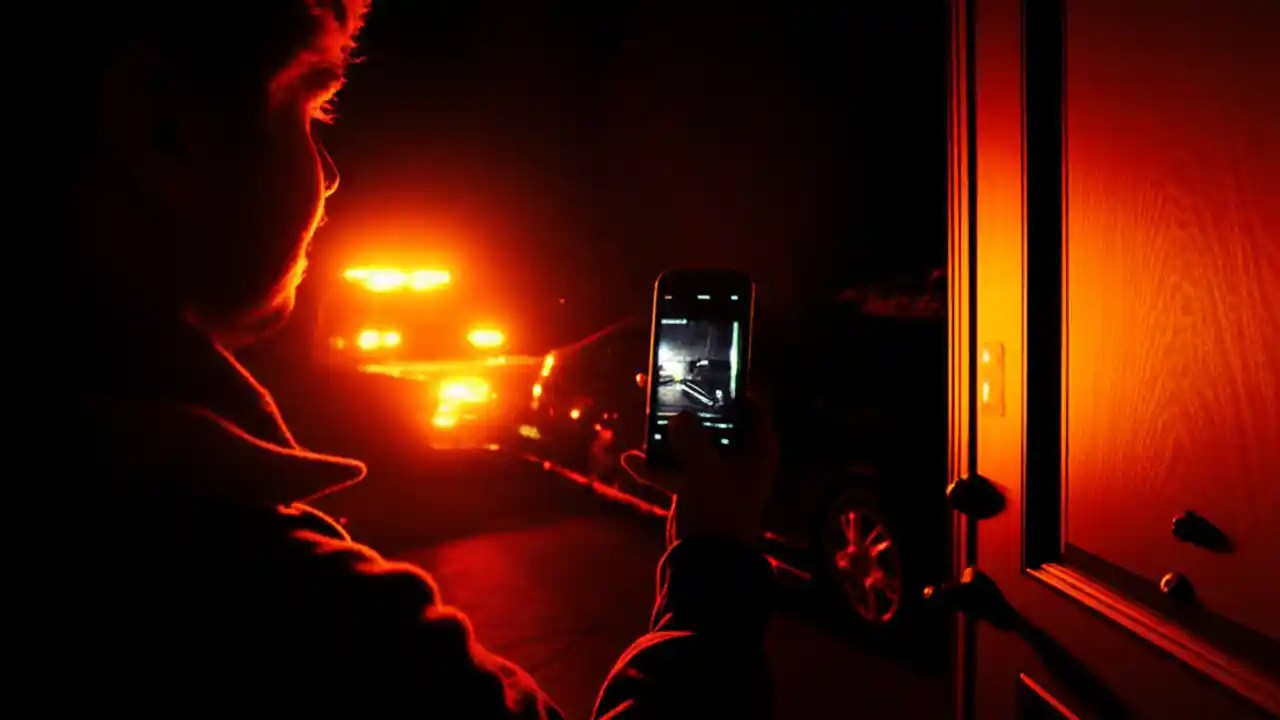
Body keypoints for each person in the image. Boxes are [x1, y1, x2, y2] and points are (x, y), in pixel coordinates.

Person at [47, 2, 779, 717]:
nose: (330, 175)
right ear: (160, 125)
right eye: (308, 109)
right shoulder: (303, 621)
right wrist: (715, 560)